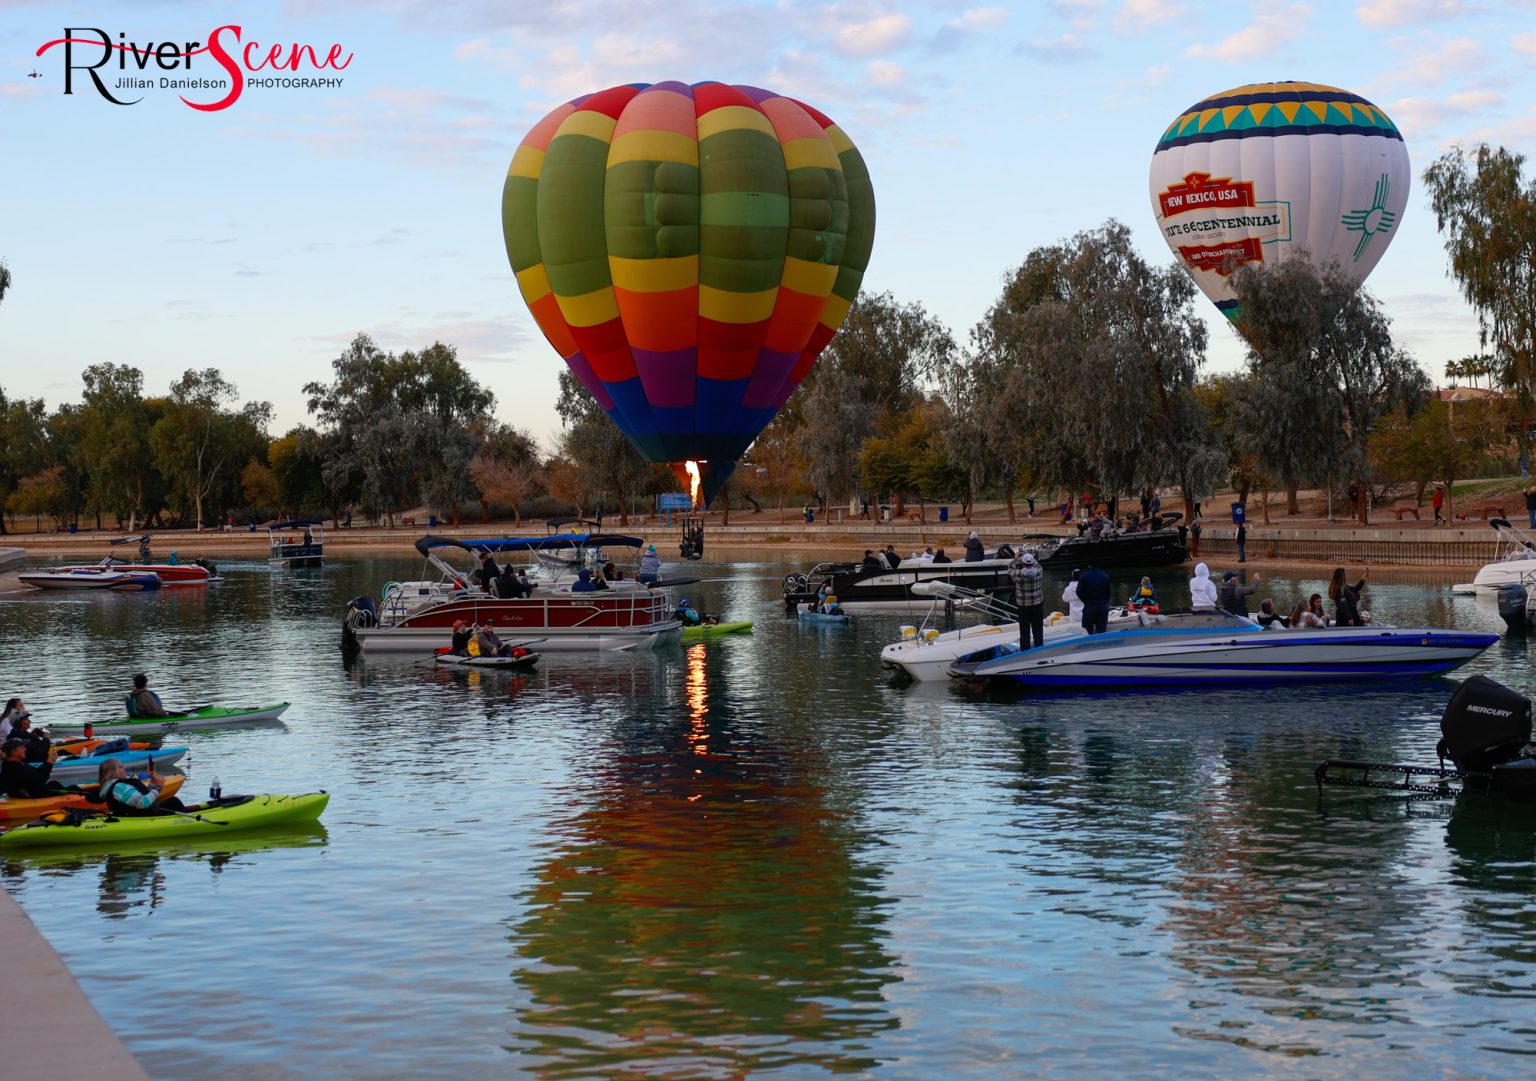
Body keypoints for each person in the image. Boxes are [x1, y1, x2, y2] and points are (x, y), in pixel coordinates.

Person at [93, 758, 186, 816]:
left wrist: (153, 782)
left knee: (171, 802)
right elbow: (143, 803)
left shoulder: (112, 785)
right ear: (113, 772)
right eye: (121, 767)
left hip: (134, 813)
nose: (124, 769)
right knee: (174, 801)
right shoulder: (119, 787)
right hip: (142, 817)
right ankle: (189, 823)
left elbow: (141, 796)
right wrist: (158, 787)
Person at [1009, 551, 1046, 650]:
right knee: (1038, 630)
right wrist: (1028, 555)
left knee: (1024, 631)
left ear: (1023, 563)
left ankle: (1025, 650)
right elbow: (1037, 564)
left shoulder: (1018, 575)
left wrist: (1016, 559)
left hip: (1023, 607)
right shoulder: (1039, 572)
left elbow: (1010, 568)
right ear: (1032, 563)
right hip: (1037, 605)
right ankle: (1039, 649)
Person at [1076, 563, 1112, 634]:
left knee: (1087, 632)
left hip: (1090, 606)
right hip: (1103, 606)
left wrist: (1085, 601)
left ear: (1089, 565)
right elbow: (1109, 593)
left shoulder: (1084, 576)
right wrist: (1105, 602)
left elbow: (1079, 592)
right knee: (1102, 632)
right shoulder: (1105, 576)